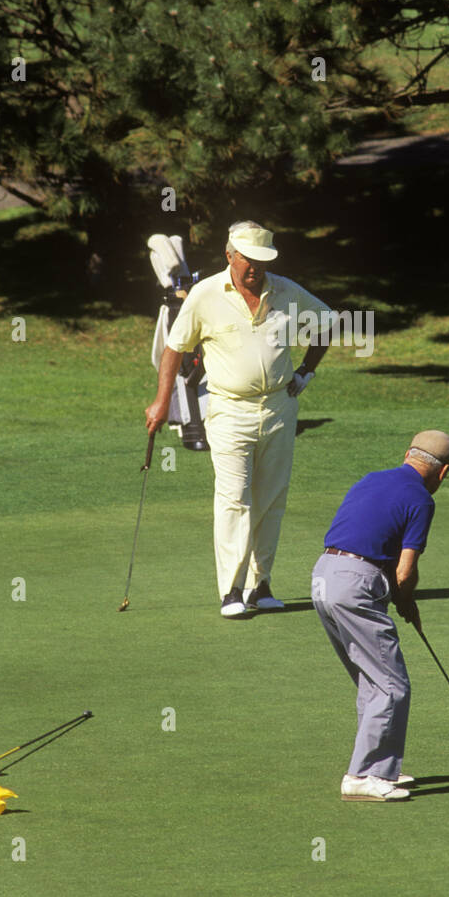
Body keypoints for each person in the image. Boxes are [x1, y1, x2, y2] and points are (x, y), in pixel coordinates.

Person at [146, 221, 334, 618]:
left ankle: (259, 584)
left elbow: (328, 322)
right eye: (248, 260)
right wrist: (161, 402)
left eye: (262, 261)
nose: (255, 269)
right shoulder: (206, 293)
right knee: (234, 500)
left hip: (280, 408)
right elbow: (174, 349)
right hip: (229, 409)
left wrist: (306, 371)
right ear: (229, 255)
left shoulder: (285, 290)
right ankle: (230, 590)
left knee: (271, 499)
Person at [311, 431, 449, 801]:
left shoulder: (371, 478)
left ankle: (380, 768)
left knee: (371, 680)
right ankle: (363, 775)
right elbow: (405, 572)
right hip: (356, 584)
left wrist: (402, 600)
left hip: (323, 576)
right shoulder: (422, 500)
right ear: (442, 474)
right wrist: (407, 601)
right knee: (392, 685)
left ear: (408, 455)